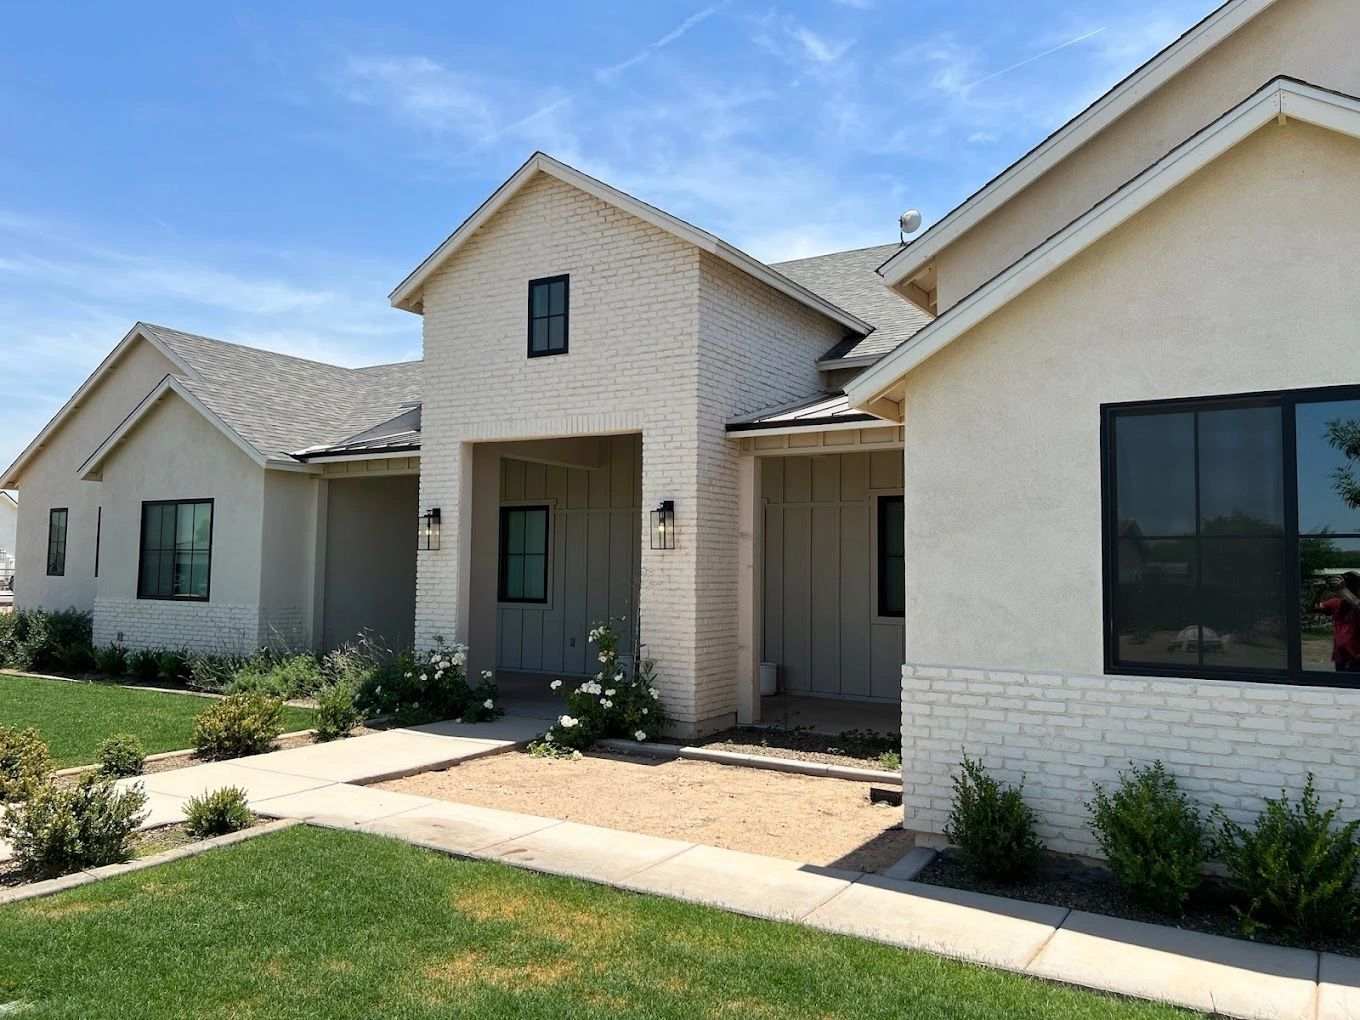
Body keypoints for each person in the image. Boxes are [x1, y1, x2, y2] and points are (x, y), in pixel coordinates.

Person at [1314, 571, 1360, 672]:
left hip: (1356, 657)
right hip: (1340, 657)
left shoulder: (1356, 603)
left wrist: (1343, 589)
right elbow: (1315, 608)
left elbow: (1357, 605)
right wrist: (1317, 594)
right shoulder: (1337, 603)